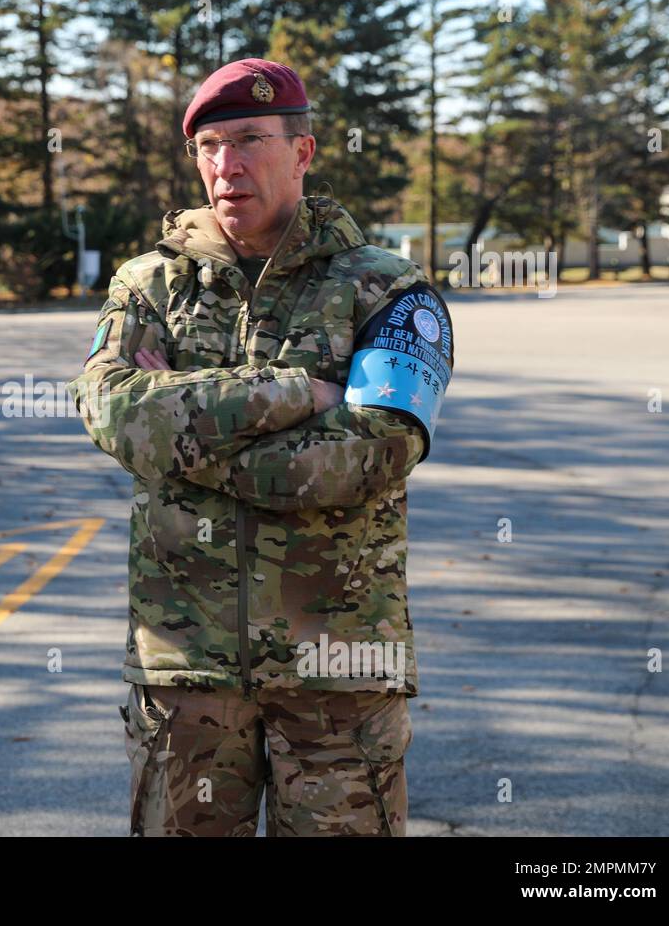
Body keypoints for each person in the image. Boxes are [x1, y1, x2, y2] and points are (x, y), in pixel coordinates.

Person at [67, 58, 454, 836]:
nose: (225, 165)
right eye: (208, 145)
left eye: (248, 140)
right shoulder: (150, 285)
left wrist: (184, 434)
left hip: (339, 667)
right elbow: (110, 412)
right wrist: (286, 394)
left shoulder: (388, 293)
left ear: (303, 151)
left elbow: (370, 456)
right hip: (185, 664)